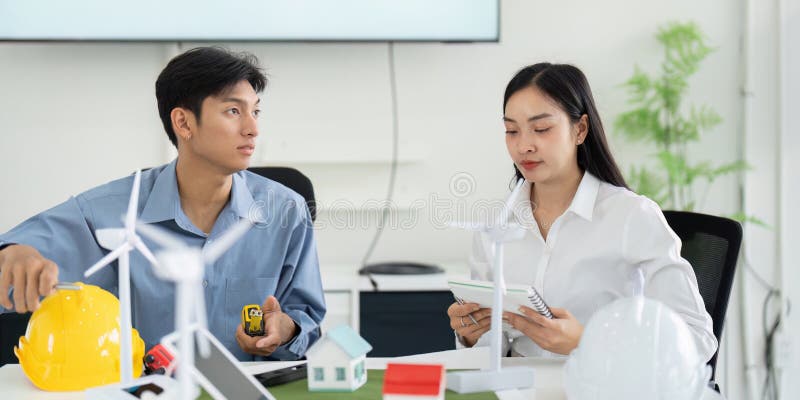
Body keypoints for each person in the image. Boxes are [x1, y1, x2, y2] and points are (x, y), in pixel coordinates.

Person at [0, 47, 326, 361]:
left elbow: (305, 318)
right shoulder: (107, 213)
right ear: (183, 123)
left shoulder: (285, 210)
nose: (252, 129)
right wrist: (13, 253)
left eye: (255, 111)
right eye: (233, 111)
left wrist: (286, 329)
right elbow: (13, 261)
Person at [446, 63, 717, 361]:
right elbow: (490, 354)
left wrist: (587, 341)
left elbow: (697, 339)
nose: (524, 145)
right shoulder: (498, 225)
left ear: (580, 129)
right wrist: (470, 334)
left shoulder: (631, 216)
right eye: (512, 131)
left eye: (541, 129)